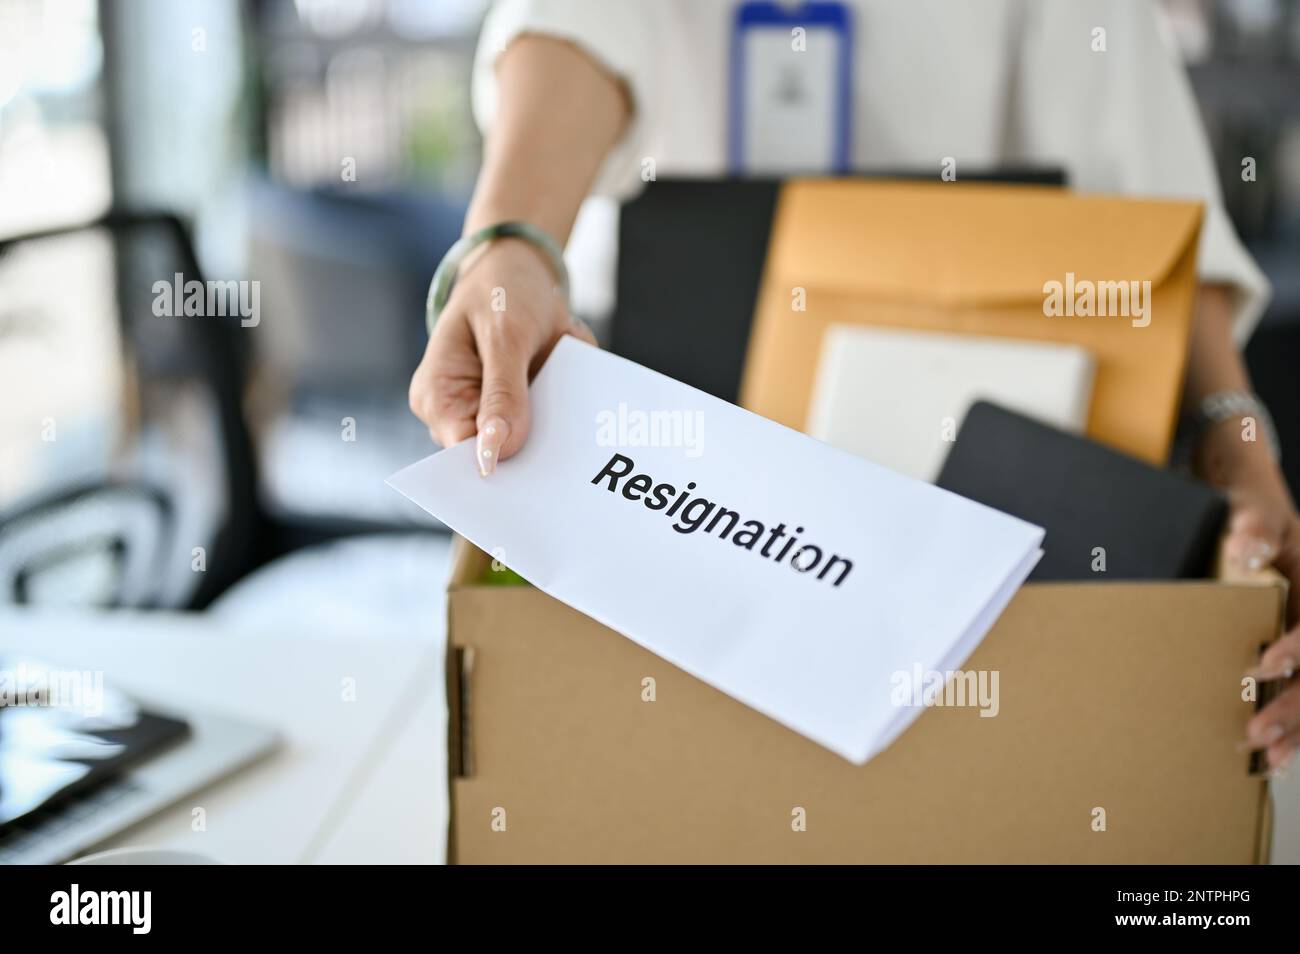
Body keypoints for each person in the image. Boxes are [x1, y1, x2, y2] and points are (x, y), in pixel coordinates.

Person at [407, 0, 1299, 770]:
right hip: (673, 414)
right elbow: (576, 28)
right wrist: (513, 244)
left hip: (1019, 484)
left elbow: (1145, 195)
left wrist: (1233, 431)